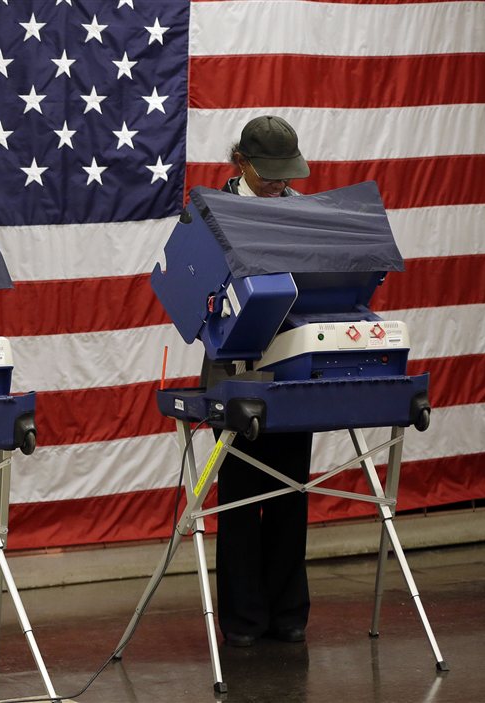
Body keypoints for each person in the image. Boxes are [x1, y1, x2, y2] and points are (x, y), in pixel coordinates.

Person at [208, 115, 313, 648]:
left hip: (295, 367)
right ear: (242, 163)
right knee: (243, 500)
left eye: (284, 174)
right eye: (269, 173)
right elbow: (192, 296)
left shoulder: (303, 213)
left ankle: (289, 613)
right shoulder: (207, 215)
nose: (278, 183)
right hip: (236, 375)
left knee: (293, 492)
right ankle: (244, 619)